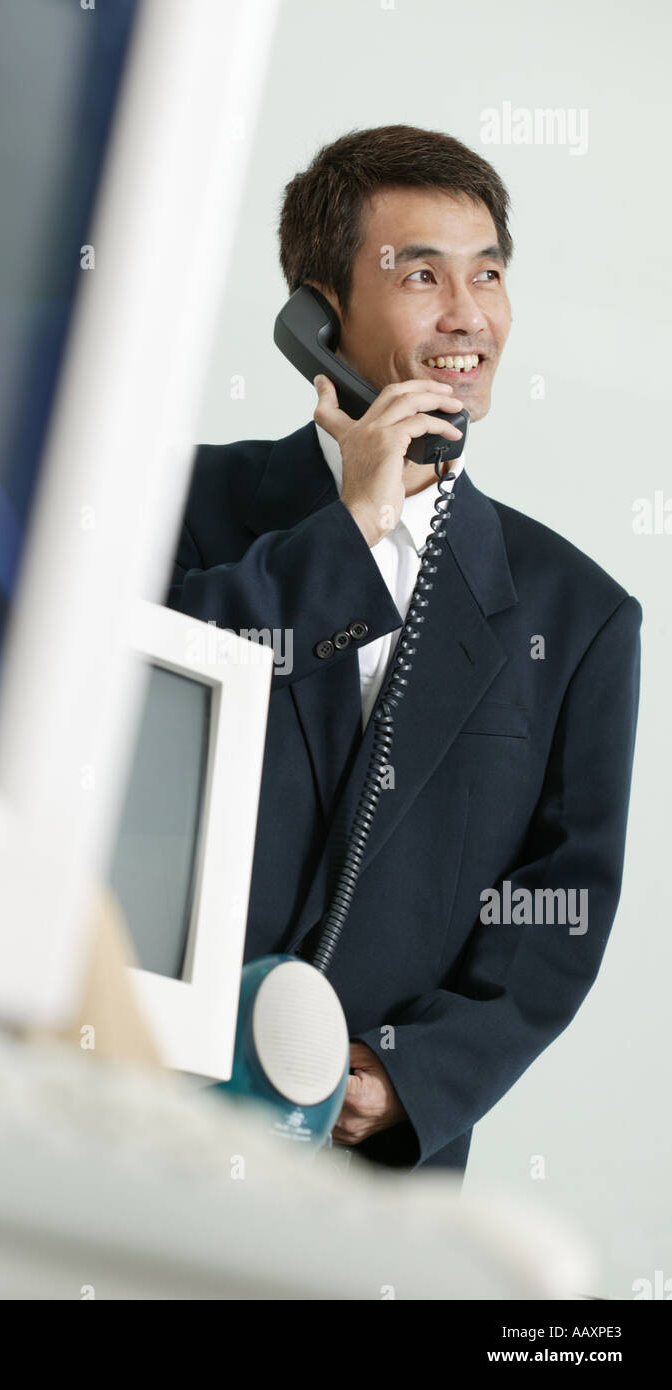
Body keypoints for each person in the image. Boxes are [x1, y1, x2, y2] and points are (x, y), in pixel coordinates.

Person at [164, 125, 641, 1176]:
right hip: (137, 1113)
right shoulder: (181, 502)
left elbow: (557, 906)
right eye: (420, 274)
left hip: (361, 1178)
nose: (467, 315)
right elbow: (126, 715)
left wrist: (408, 1074)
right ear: (319, 314)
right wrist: (349, 531)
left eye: (488, 275)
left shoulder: (583, 615)